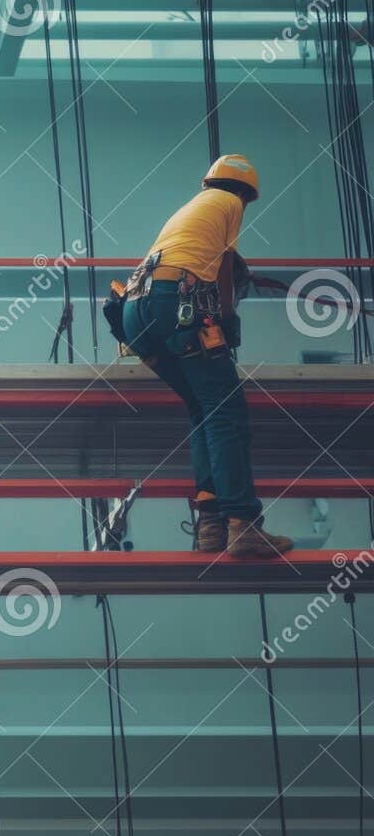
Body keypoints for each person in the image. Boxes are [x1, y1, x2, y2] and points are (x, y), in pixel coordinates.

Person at [121, 155, 292, 559]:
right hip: (175, 304)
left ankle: (211, 525)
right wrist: (228, 320)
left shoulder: (191, 210)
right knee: (227, 412)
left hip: (134, 312)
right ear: (245, 193)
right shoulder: (230, 203)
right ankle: (243, 524)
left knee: (205, 408)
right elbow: (226, 269)